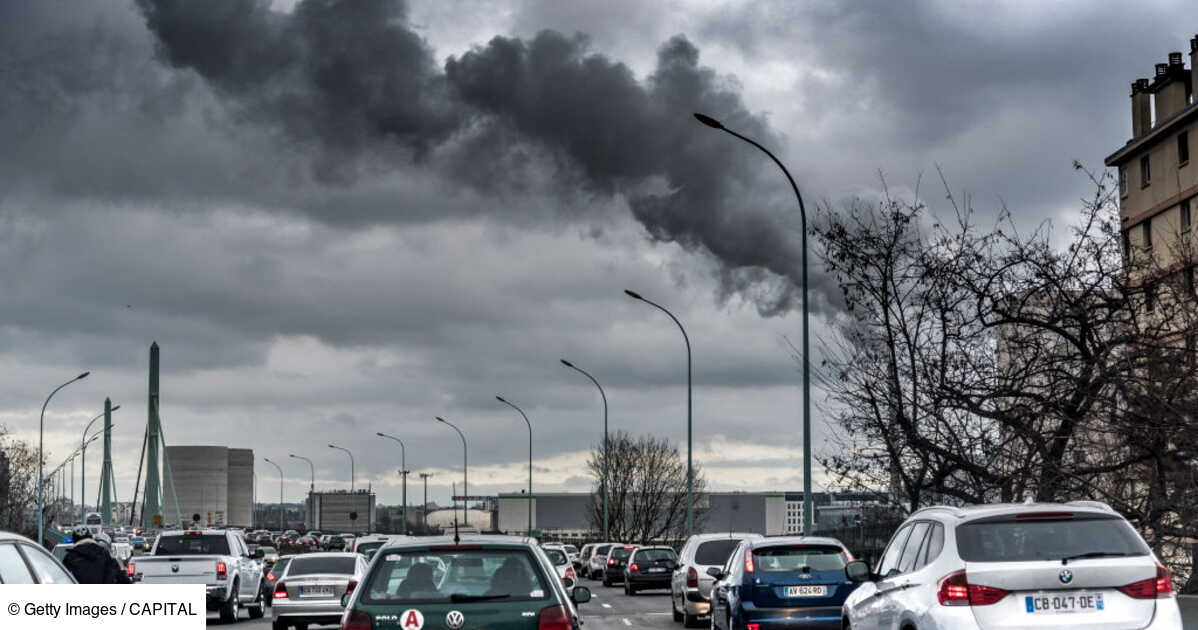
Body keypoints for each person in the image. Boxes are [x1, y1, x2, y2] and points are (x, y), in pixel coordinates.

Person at [63, 527, 130, 584]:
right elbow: (120, 576)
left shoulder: (69, 558)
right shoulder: (104, 553)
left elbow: (60, 578)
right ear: (91, 537)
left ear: (74, 541)